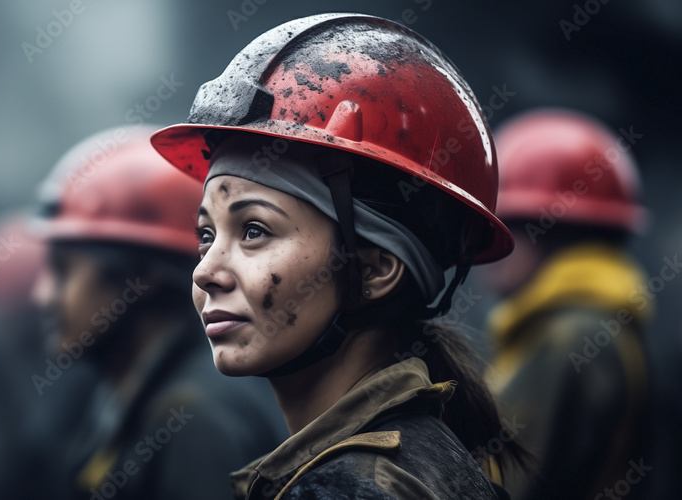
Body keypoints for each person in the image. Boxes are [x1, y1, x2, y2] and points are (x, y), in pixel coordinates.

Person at [149, 13, 530, 499]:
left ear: (373, 269)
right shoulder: (426, 459)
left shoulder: (345, 488)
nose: (205, 272)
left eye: (253, 230)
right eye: (206, 235)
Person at [34, 126, 287, 500]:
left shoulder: (197, 420)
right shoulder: (129, 394)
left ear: (141, 279)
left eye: (63, 270)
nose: (42, 296)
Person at [479, 109, 652, 499]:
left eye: (505, 224)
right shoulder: (595, 322)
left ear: (555, 230)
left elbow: (498, 485)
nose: (486, 246)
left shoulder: (570, 336)